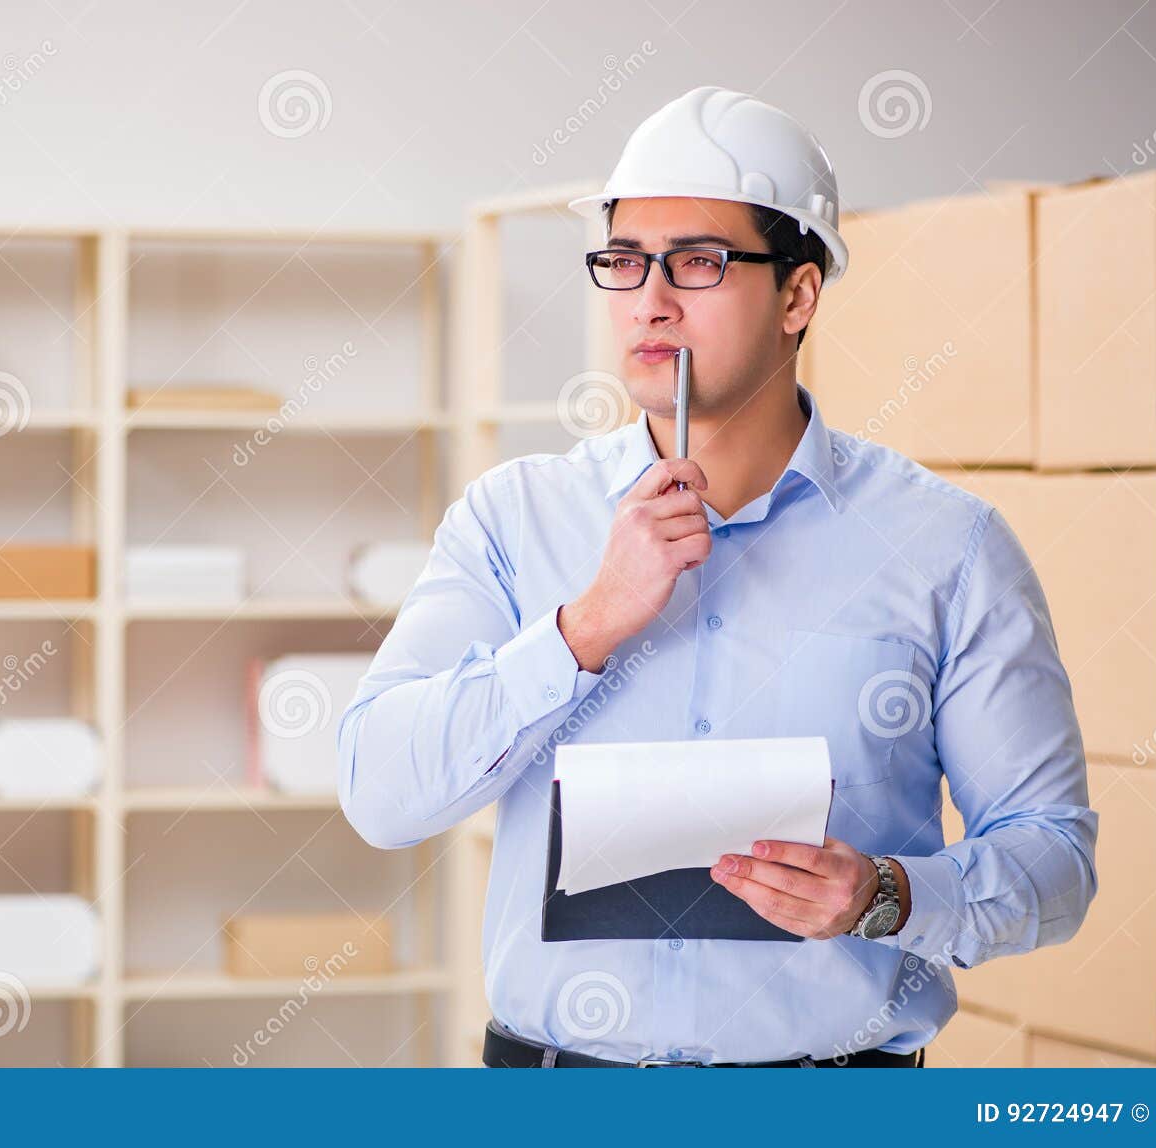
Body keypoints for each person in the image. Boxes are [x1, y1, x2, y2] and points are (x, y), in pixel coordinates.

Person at [336, 86, 1098, 1067]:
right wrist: (584, 627)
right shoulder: (511, 520)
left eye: (696, 262)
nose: (648, 299)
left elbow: (1055, 863)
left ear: (797, 294)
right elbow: (381, 793)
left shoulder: (946, 546)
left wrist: (885, 896)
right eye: (622, 262)